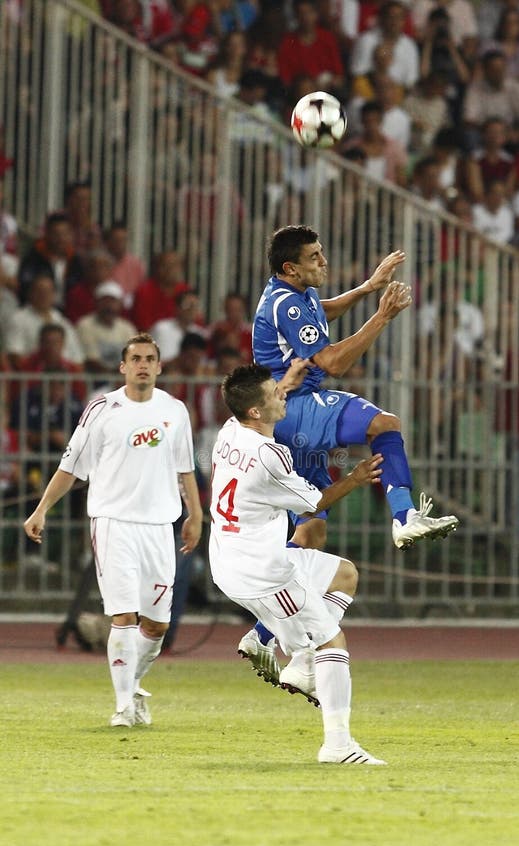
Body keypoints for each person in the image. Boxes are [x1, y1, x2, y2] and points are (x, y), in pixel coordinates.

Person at [238, 225, 458, 675]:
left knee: (312, 533)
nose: (323, 261)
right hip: (295, 408)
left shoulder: (291, 295)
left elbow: (324, 310)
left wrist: (367, 287)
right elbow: (334, 364)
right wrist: (381, 315)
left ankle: (260, 635)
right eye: (314, 257)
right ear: (290, 267)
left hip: (284, 420)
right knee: (385, 424)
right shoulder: (285, 303)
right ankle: (403, 517)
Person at [209, 361, 386, 764]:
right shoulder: (271, 457)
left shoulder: (228, 431)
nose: (281, 395)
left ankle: (302, 662)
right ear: (256, 411)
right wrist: (356, 478)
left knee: (343, 573)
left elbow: (264, 403)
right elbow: (314, 503)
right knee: (331, 640)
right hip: (262, 573)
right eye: (274, 393)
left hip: (234, 557)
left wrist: (284, 382)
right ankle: (337, 745)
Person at [24, 332, 203, 727]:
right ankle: (123, 705)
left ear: (159, 365)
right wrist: (41, 509)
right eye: (135, 358)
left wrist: (196, 515)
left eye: (149, 358)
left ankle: (133, 685)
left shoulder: (175, 411)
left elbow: (185, 468)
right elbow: (70, 466)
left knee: (156, 624)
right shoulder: (101, 408)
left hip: (160, 525)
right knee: (123, 615)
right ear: (123, 367)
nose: (142, 364)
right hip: (113, 522)